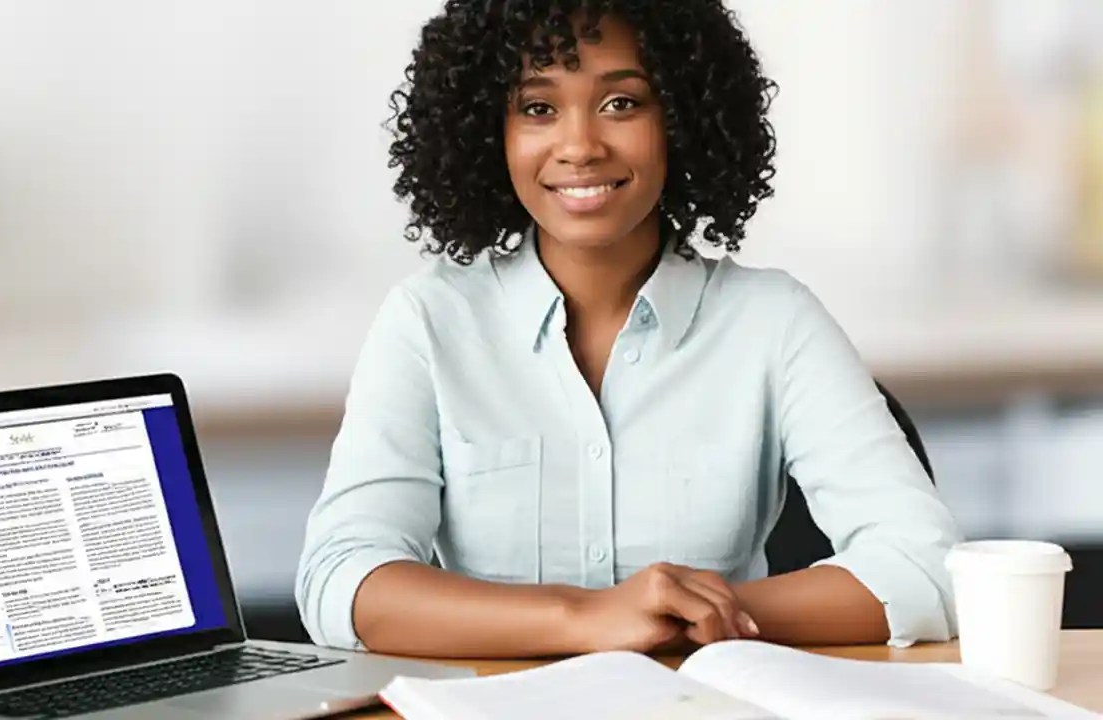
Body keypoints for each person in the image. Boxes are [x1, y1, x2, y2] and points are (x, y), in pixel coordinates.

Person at [295, 0, 962, 659]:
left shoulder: (774, 323)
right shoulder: (428, 323)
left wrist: (689, 611)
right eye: (538, 108)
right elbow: (341, 578)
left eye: (622, 104)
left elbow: (926, 568)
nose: (581, 145)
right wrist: (585, 618)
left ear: (683, 116)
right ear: (486, 131)